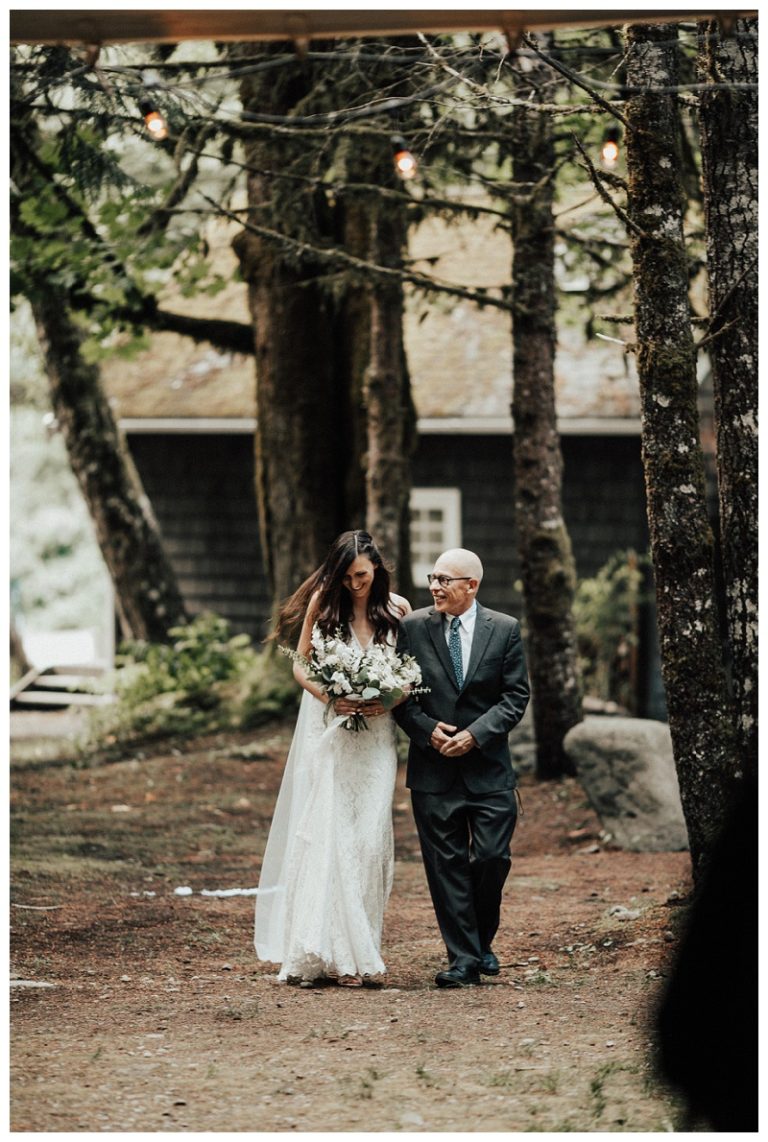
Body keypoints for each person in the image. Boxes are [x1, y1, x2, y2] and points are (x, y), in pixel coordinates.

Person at [254, 530, 411, 988]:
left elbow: (411, 671)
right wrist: (332, 695)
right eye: (346, 576)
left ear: (377, 568)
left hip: (377, 740)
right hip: (337, 738)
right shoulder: (325, 606)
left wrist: (390, 698)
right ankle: (325, 949)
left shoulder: (398, 610)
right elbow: (300, 664)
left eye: (361, 574)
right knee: (331, 836)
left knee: (368, 839)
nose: (355, 584)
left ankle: (361, 945)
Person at [393, 548, 529, 988]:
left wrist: (475, 735)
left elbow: (515, 697)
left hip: (488, 769)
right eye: (433, 577)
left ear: (472, 585)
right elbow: (399, 697)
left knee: (491, 858)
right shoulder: (411, 628)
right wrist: (428, 729)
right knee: (445, 865)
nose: (435, 586)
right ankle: (465, 958)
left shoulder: (505, 629)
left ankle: (479, 942)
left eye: (445, 579)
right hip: (433, 770)